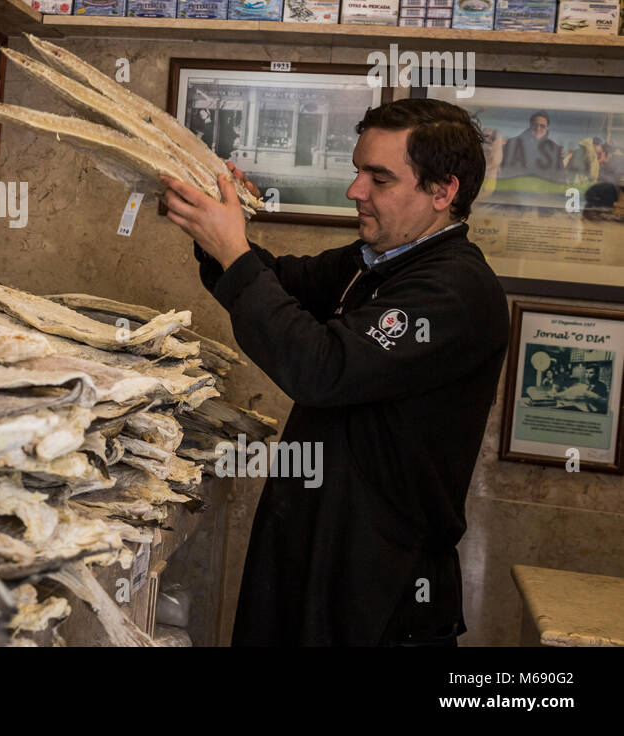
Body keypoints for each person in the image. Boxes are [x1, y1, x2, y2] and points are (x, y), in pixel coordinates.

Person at [160, 98, 509, 646]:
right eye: (357, 171)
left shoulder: (453, 291)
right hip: (313, 551)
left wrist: (234, 253)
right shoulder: (374, 263)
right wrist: (216, 226)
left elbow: (320, 368)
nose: (356, 191)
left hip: (377, 585)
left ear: (444, 191)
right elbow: (271, 281)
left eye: (380, 178)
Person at [500, 110, 564, 185]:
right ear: (530, 125)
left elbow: (561, 177)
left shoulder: (555, 149)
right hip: (515, 190)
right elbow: (500, 169)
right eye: (535, 125)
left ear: (547, 128)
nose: (538, 128)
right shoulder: (513, 144)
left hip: (543, 193)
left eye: (542, 126)